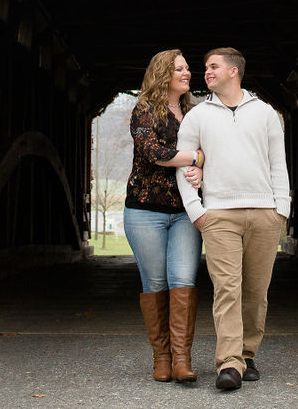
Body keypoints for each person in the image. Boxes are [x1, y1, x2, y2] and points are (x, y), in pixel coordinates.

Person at [174, 47, 290, 392]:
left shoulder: (265, 113)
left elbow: (278, 163)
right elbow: (184, 164)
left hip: (264, 213)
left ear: (234, 71)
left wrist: (281, 209)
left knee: (255, 291)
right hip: (219, 214)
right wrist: (197, 211)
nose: (206, 72)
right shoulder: (198, 116)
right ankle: (229, 363)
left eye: (213, 66)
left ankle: (247, 354)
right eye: (206, 67)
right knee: (227, 288)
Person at [124, 48, 205, 383]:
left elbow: (215, 151)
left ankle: (182, 360)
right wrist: (196, 158)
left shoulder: (197, 112)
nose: (187, 73)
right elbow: (153, 153)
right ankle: (161, 358)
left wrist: (202, 165)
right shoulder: (144, 110)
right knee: (155, 283)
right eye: (179, 69)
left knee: (184, 279)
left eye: (187, 68)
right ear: (162, 74)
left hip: (186, 211)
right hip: (144, 211)